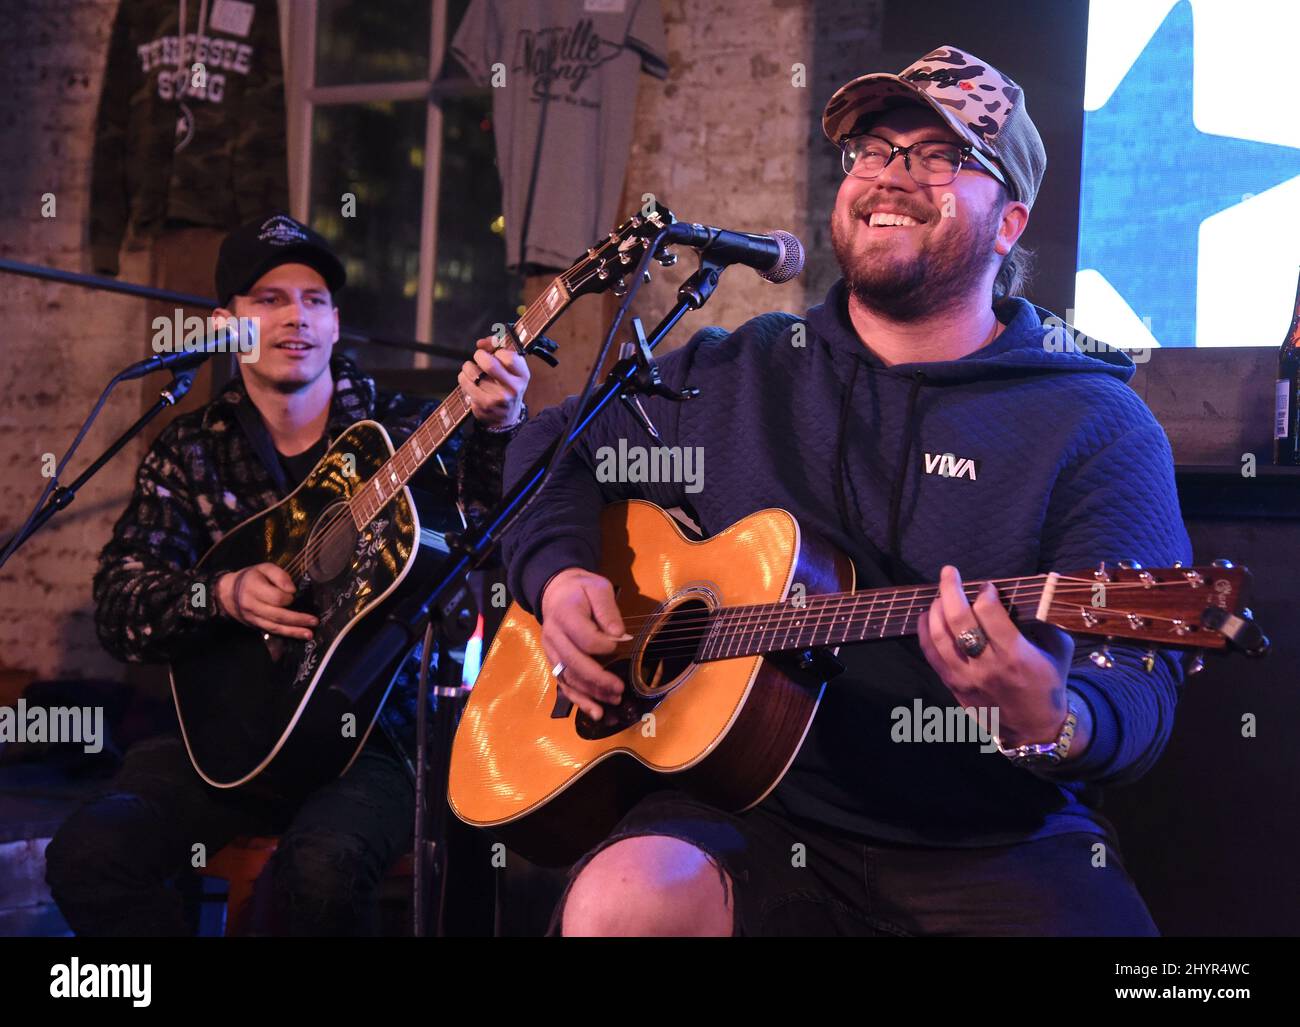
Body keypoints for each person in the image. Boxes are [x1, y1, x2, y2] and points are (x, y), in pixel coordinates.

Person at [500, 46, 1193, 936]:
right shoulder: (741, 369)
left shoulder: (1091, 419)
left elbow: (1136, 680)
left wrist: (1052, 721)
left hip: (992, 841)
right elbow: (550, 450)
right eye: (873, 147)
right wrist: (558, 577)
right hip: (747, 812)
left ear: (1011, 222)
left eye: (940, 156)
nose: (891, 177)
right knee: (619, 903)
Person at [46, 213, 530, 935]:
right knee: (88, 853)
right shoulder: (189, 450)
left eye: (312, 300)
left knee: (321, 871)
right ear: (225, 324)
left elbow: (492, 528)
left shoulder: (401, 434)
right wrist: (221, 593)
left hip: (369, 743)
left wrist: (497, 424)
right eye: (268, 299)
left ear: (336, 324)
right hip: (224, 745)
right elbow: (120, 604)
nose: (294, 317)